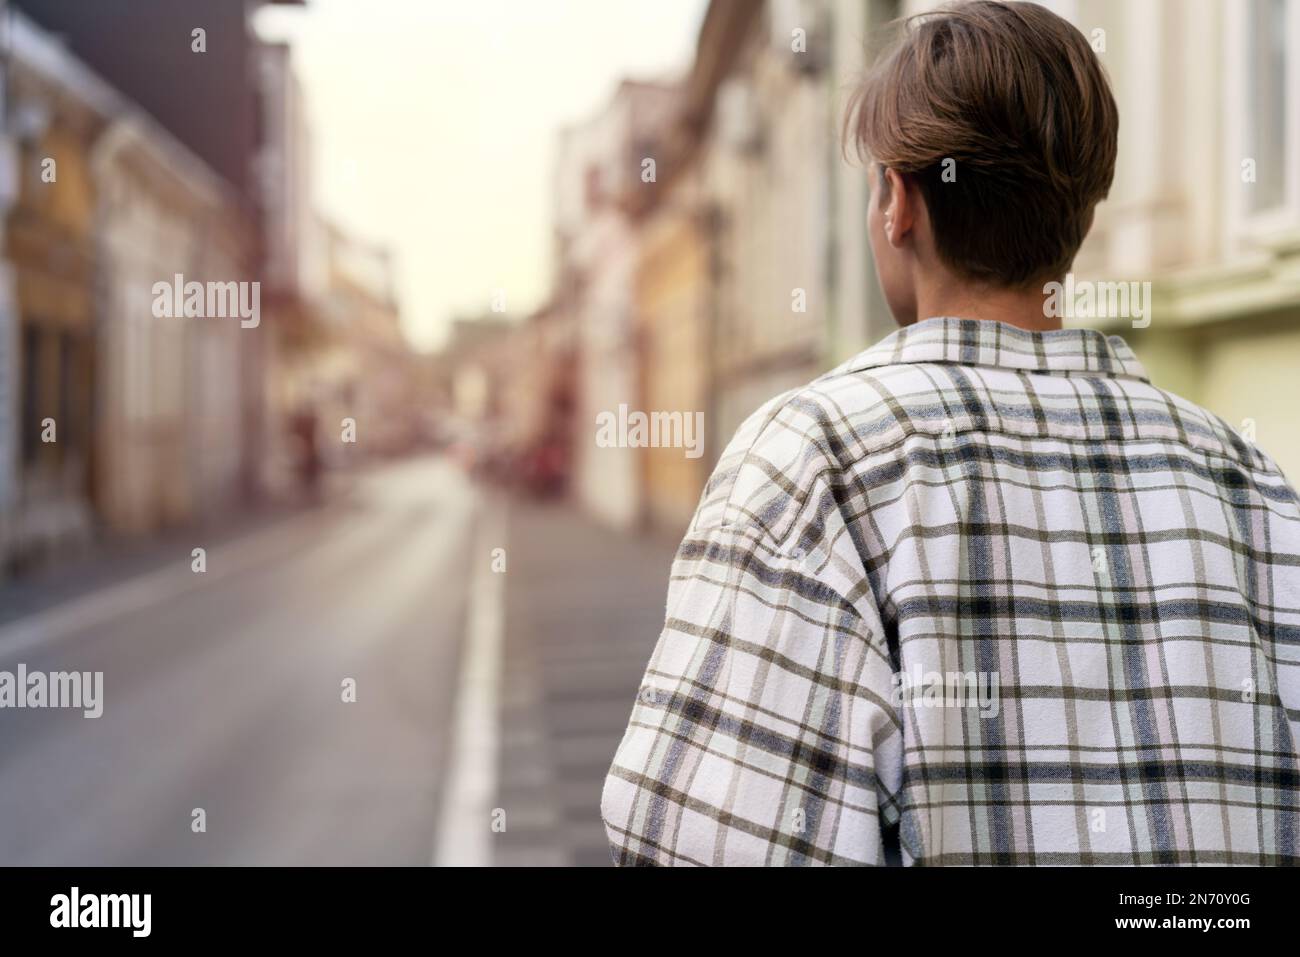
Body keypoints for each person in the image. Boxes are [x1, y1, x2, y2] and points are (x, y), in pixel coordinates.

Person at [601, 0, 1300, 865]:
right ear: (1080, 215)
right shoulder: (1254, 485)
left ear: (898, 204)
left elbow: (701, 843)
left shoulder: (811, 466)